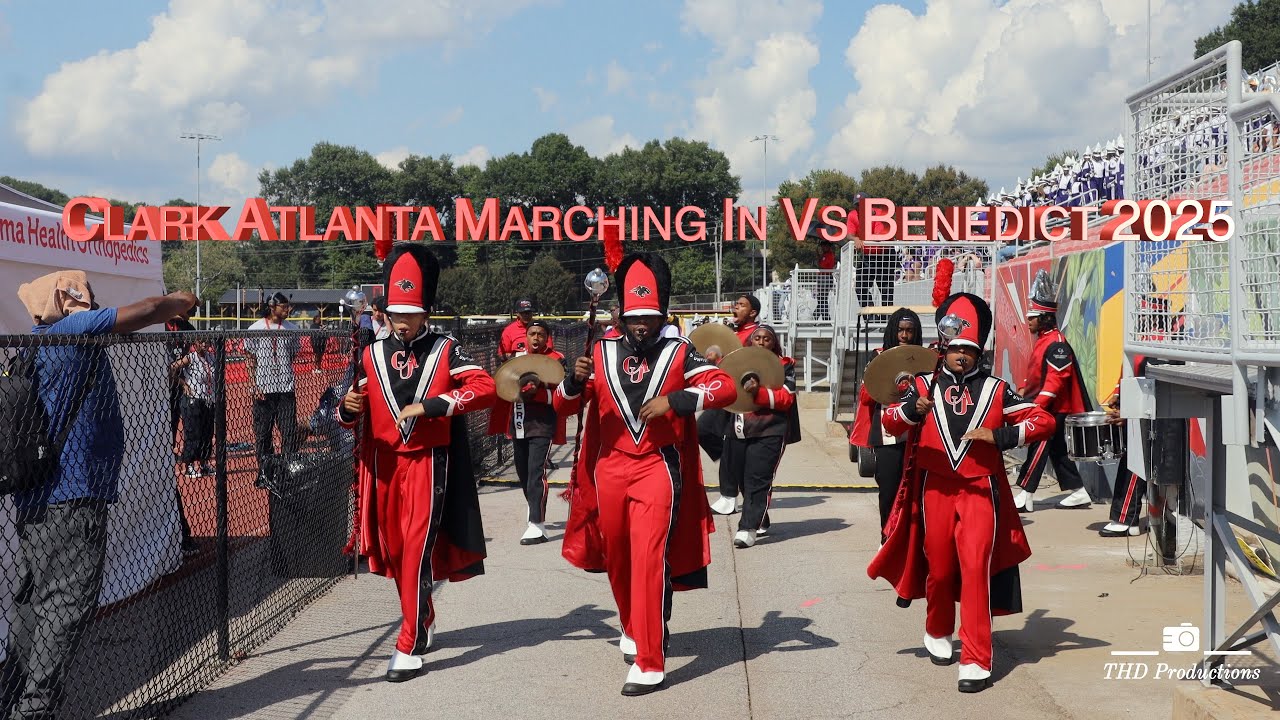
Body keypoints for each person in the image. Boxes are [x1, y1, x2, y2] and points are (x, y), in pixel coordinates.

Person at [7, 271, 196, 720]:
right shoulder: (71, 329)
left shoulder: (35, 342)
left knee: (37, 601)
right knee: (67, 602)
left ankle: (15, 695)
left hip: (38, 499)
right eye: (84, 292)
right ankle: (34, 708)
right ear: (64, 298)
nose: (93, 298)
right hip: (71, 498)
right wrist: (182, 299)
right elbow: (148, 311)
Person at [554, 252, 735, 696]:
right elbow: (562, 405)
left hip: (658, 465)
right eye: (634, 316)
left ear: (661, 315)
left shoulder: (678, 350)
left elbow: (723, 385)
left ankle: (651, 661)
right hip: (610, 468)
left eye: (649, 317)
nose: (641, 324)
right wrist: (574, 383)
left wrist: (676, 402)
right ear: (622, 313)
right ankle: (633, 625)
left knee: (650, 558)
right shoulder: (599, 350)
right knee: (617, 557)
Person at [868, 293, 1052, 694]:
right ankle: (937, 628)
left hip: (980, 491)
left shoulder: (998, 390)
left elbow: (1044, 420)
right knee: (941, 569)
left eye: (969, 350)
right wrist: (908, 411)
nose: (962, 357)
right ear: (943, 349)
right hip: (934, 490)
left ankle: (975, 658)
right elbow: (886, 421)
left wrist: (1002, 434)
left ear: (978, 351)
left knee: (974, 570)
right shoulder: (920, 385)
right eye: (955, 350)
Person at [337, 245, 494, 683]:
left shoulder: (446, 348)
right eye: (395, 312)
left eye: (412, 312)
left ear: (427, 312)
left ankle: (407, 642)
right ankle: (421, 614)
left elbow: (484, 387)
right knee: (394, 550)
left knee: (417, 548)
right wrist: (348, 408)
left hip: (428, 463)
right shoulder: (369, 352)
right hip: (383, 465)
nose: (402, 321)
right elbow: (348, 411)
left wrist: (434, 406)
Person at [1011, 271, 1092, 512]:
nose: (1029, 321)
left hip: (1054, 407)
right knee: (1057, 450)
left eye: (1033, 317)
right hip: (1047, 405)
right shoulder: (1045, 340)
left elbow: (1056, 380)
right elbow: (1040, 373)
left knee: (1039, 445)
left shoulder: (1056, 342)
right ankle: (1078, 492)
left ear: (1045, 318)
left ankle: (1026, 493)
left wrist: (1038, 405)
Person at [719, 324, 800, 548]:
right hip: (738, 430)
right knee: (742, 477)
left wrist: (759, 393)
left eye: (767, 339)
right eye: (758, 338)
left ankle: (747, 528)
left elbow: (786, 399)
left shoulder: (785, 366)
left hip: (770, 431)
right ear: (751, 341)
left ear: (774, 343)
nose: (762, 342)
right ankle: (760, 516)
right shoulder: (737, 362)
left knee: (757, 478)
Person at [486, 320, 567, 545]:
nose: (536, 338)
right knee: (523, 474)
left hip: (543, 425)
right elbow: (504, 388)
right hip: (519, 424)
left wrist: (538, 393)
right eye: (532, 333)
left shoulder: (558, 359)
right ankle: (534, 508)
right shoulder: (516, 360)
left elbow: (564, 394)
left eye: (541, 334)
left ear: (547, 337)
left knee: (535, 473)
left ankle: (537, 525)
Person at [848, 308, 925, 542]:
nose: (904, 335)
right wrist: (895, 386)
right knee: (889, 490)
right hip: (887, 435)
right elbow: (865, 396)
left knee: (917, 491)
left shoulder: (923, 358)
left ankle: (912, 541)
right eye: (900, 330)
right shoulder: (877, 356)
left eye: (910, 331)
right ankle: (888, 537)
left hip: (917, 435)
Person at [708, 294, 763, 515]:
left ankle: (729, 496)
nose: (735, 308)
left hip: (741, 397)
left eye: (741, 306)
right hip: (727, 392)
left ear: (753, 312)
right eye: (736, 305)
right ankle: (730, 486)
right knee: (706, 432)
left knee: (726, 441)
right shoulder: (734, 333)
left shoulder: (757, 334)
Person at [245, 293, 302, 483]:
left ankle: (287, 470)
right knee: (263, 433)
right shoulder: (256, 328)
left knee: (289, 431)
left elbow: (293, 353)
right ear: (272, 306)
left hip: (286, 387)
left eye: (288, 306)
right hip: (264, 387)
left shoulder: (292, 328)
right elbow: (250, 357)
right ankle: (265, 471)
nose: (287, 310)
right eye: (283, 307)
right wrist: (253, 384)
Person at [172, 339, 217, 479]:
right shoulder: (190, 358)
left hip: (208, 400)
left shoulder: (211, 358)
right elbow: (172, 368)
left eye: (207, 342)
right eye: (202, 342)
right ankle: (189, 466)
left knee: (207, 433)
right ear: (195, 344)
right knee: (193, 432)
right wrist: (183, 384)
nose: (205, 344)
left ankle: (204, 464)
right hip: (193, 400)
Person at [848, 192, 898, 308]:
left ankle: (886, 321)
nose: (859, 207)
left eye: (862, 204)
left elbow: (879, 235)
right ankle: (871, 318)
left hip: (885, 254)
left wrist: (862, 239)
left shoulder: (879, 213)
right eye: (857, 205)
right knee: (860, 286)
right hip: (868, 255)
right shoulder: (852, 215)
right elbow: (849, 234)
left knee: (885, 289)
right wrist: (855, 238)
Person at [164, 307, 196, 453]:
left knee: (185, 417)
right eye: (188, 312)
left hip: (181, 377)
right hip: (166, 379)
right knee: (169, 418)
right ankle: (167, 450)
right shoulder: (161, 325)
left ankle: (185, 451)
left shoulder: (184, 326)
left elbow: (198, 339)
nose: (190, 316)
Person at [815, 240, 836, 321]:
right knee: (821, 298)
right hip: (823, 278)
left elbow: (823, 267)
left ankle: (817, 316)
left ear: (828, 246)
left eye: (825, 245)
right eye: (822, 246)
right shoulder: (825, 255)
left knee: (822, 298)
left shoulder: (829, 255)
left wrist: (819, 258)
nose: (823, 247)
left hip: (826, 277)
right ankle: (824, 317)